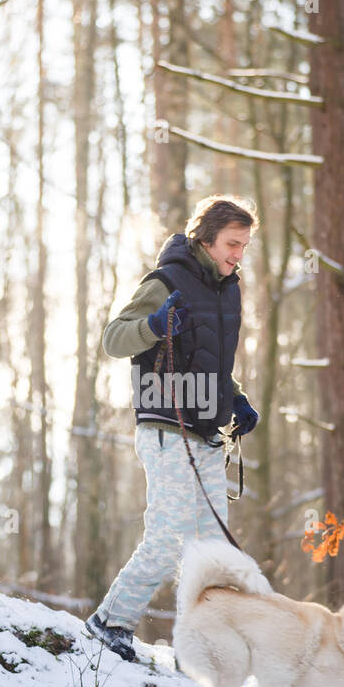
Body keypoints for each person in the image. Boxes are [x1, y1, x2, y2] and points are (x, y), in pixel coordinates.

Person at [85, 196, 260, 661]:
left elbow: (214, 360)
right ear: (206, 239)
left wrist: (236, 398)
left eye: (244, 246)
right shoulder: (167, 282)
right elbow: (113, 338)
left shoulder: (229, 290)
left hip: (206, 435)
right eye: (232, 244)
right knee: (169, 535)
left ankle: (195, 647)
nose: (238, 254)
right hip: (165, 427)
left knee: (211, 551)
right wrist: (155, 325)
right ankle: (110, 621)